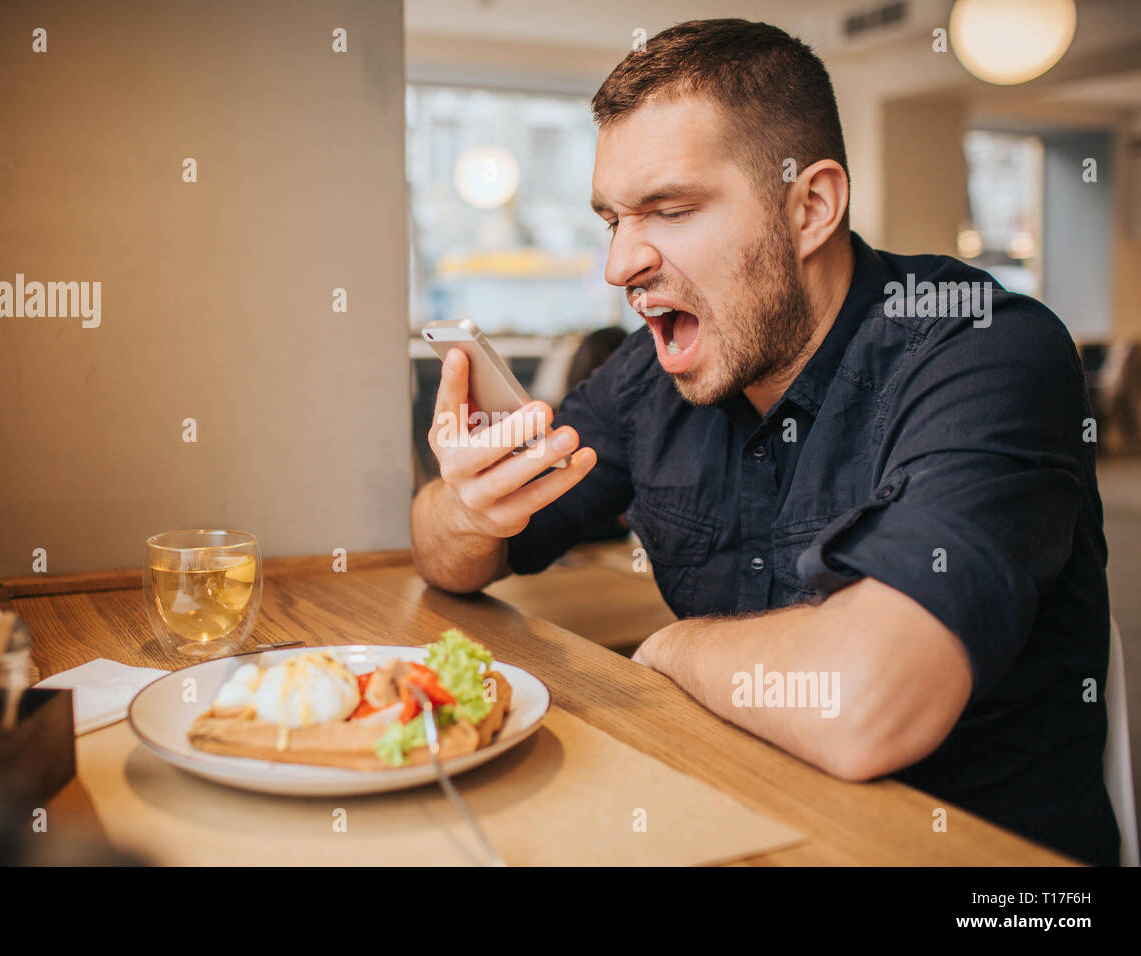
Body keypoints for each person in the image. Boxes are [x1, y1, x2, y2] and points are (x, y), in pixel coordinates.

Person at [408, 19, 1119, 865]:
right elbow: (447, 558)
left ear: (810, 206)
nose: (619, 264)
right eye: (612, 219)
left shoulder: (984, 349)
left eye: (669, 210)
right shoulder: (649, 375)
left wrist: (667, 650)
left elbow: (864, 702)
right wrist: (468, 504)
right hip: (732, 818)